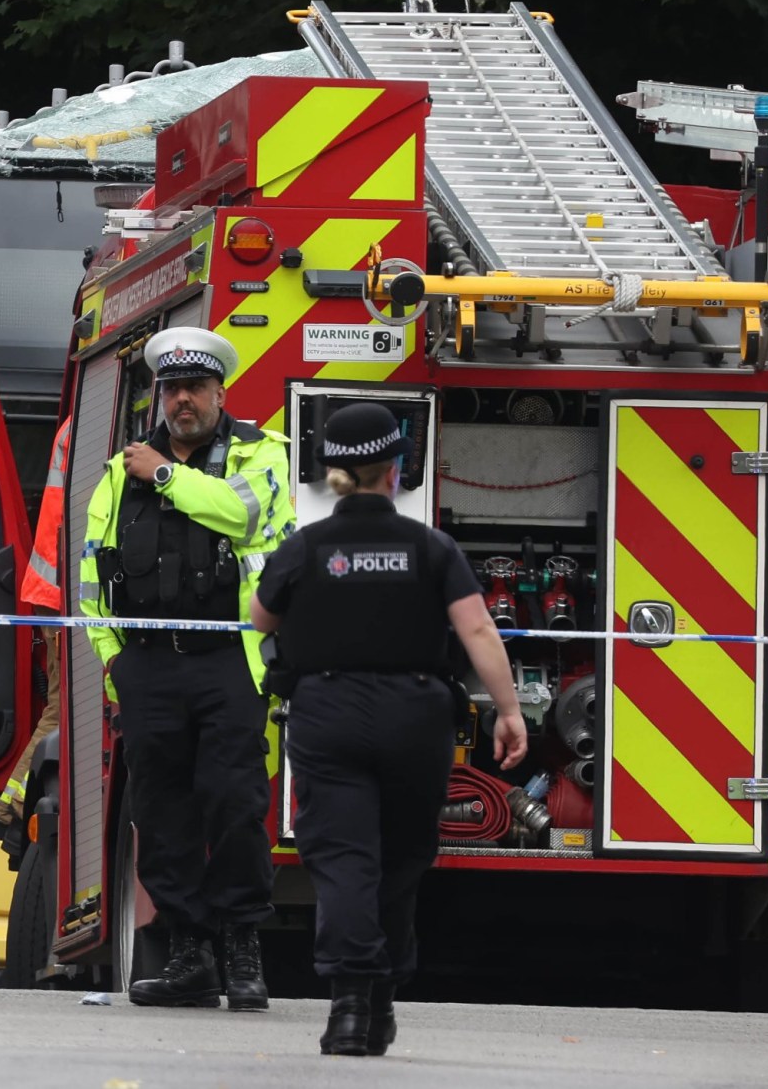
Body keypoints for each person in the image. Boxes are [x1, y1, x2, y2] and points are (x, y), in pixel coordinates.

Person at [249, 401, 527, 1057]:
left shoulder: (305, 547)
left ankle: (350, 1005)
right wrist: (510, 711)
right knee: (401, 859)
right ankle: (382, 999)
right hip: (416, 717)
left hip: (328, 713)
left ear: (334, 474)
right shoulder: (432, 548)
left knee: (345, 858)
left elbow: (262, 617)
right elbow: (477, 629)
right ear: (395, 469)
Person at [77, 327, 295, 1011]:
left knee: (234, 806)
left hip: (229, 664)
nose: (183, 401)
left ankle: (241, 947)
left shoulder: (260, 453)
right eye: (172, 389)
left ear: (220, 393)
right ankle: (189, 953)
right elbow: (91, 575)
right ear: (158, 397)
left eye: (196, 388)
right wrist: (115, 662)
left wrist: (167, 476)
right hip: (146, 667)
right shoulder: (120, 472)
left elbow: (244, 518)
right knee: (161, 813)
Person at [0, 417, 72, 830]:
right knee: (64, 711)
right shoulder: (91, 424)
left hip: (58, 593)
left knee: (61, 708)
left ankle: (19, 802)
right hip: (64, 596)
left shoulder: (78, 424)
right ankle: (19, 804)